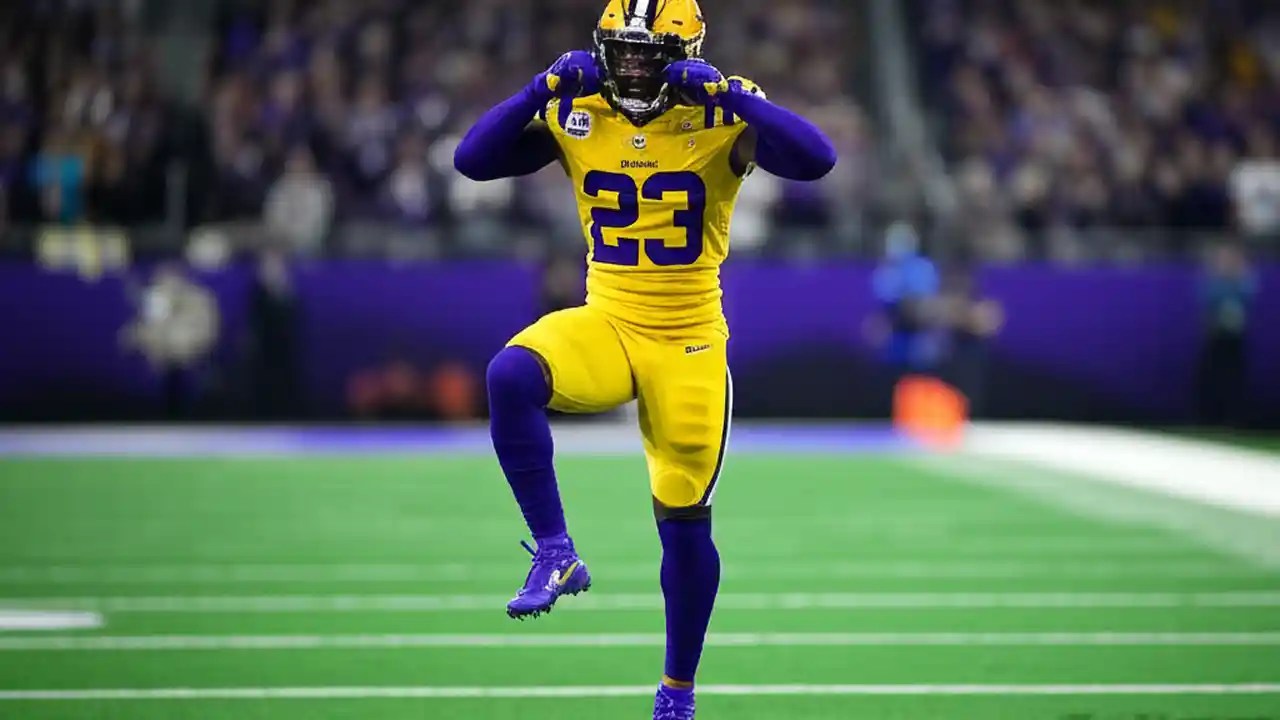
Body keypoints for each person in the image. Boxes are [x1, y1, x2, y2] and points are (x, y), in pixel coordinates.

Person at [453, 2, 836, 718]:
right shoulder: (581, 110)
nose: (630, 65)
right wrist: (537, 90)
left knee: (685, 521)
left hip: (688, 341)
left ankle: (676, 694)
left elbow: (818, 159)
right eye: (620, 51)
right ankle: (554, 549)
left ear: (685, 50)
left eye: (646, 52)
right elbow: (472, 161)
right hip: (608, 318)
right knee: (511, 373)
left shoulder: (720, 109)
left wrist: (728, 95)